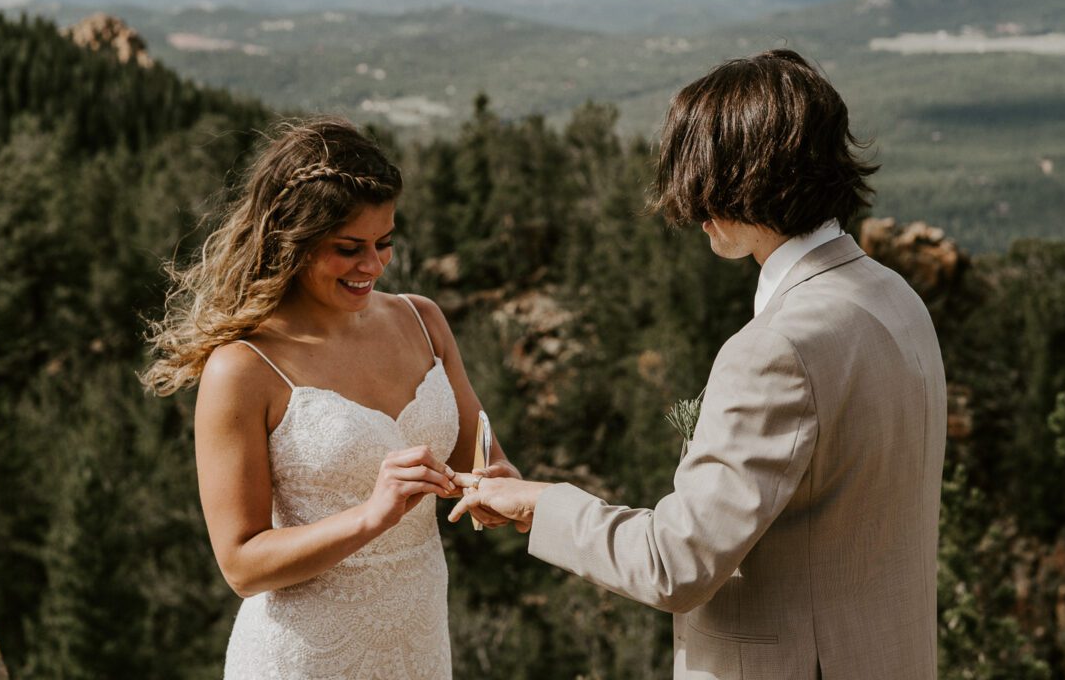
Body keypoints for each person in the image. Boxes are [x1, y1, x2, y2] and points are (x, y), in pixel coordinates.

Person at [450, 50, 948, 680]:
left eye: (704, 180)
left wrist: (542, 505)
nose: (691, 208)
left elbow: (676, 566)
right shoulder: (893, 296)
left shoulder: (777, 348)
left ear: (755, 178)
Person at [143, 117, 517, 680]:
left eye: (384, 242)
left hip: (418, 647)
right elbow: (242, 564)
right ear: (293, 240)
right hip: (302, 658)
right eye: (348, 248)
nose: (373, 265)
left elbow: (479, 456)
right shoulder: (243, 368)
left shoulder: (424, 321)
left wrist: (498, 482)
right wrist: (371, 515)